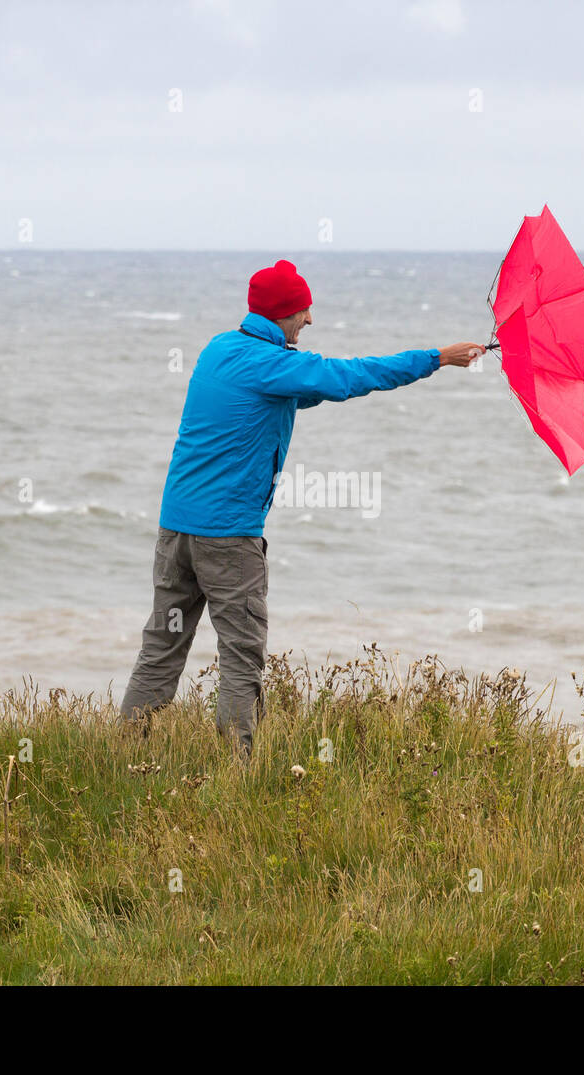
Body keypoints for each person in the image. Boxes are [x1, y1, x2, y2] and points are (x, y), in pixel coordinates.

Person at [119, 259, 484, 753]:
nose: (310, 319)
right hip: (226, 540)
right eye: (303, 310)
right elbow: (348, 375)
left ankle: (124, 753)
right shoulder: (273, 365)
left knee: (161, 648)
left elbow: (286, 393)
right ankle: (237, 773)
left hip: (175, 533)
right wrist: (436, 358)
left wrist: (331, 385)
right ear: (282, 315)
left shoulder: (220, 350)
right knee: (241, 659)